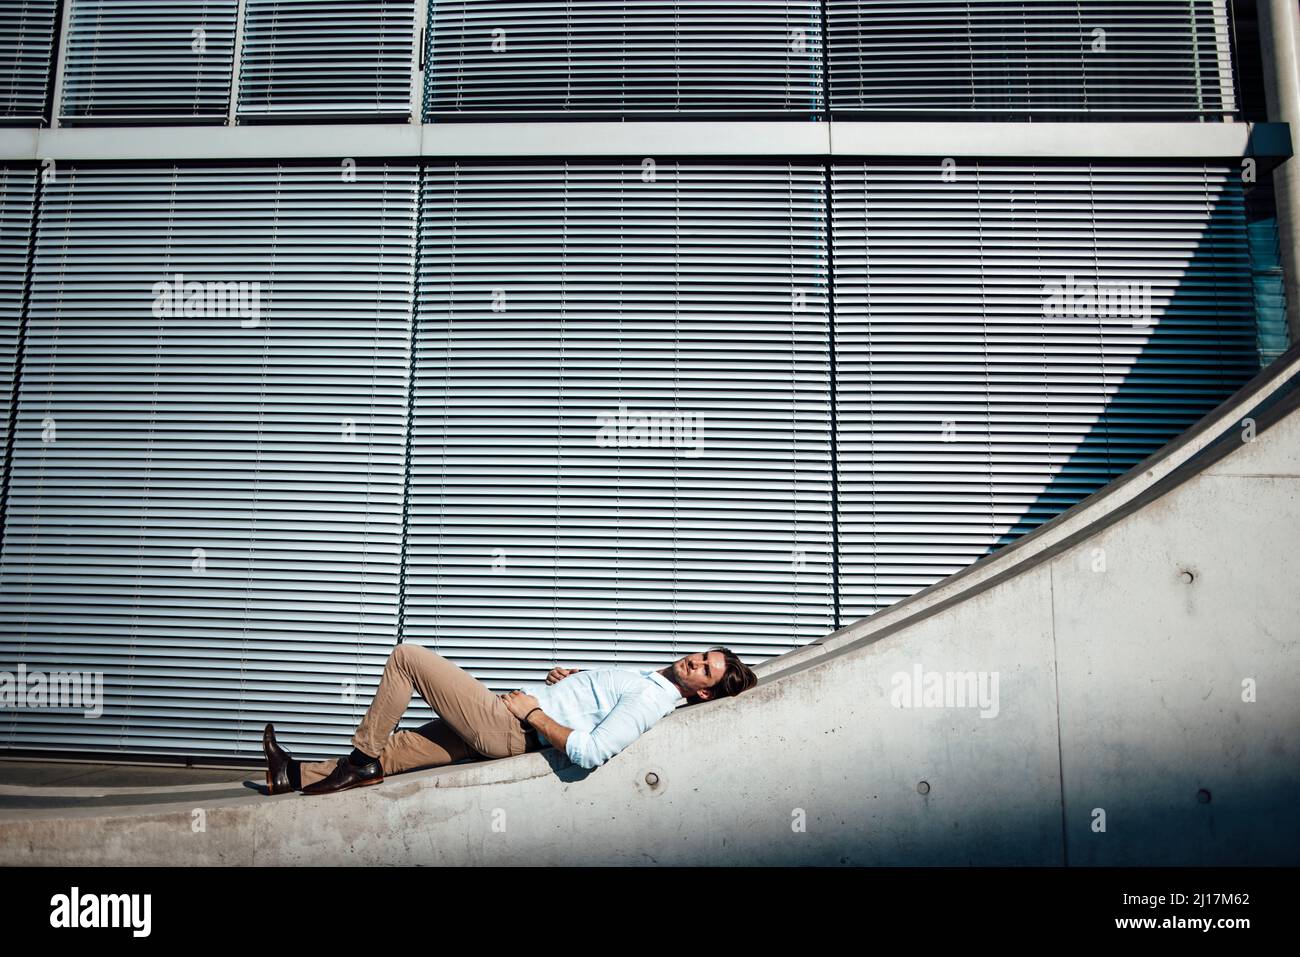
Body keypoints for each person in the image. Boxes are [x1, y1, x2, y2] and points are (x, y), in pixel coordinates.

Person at [263, 642, 758, 796]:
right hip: (507, 724)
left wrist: (535, 711)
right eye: (702, 654)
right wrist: (574, 681)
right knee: (400, 752)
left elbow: (591, 750)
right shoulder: (652, 682)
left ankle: (360, 758)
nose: (695, 661)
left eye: (705, 669)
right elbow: (594, 711)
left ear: (703, 691)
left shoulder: (653, 701)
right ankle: (290, 777)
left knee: (407, 658)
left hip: (508, 726)